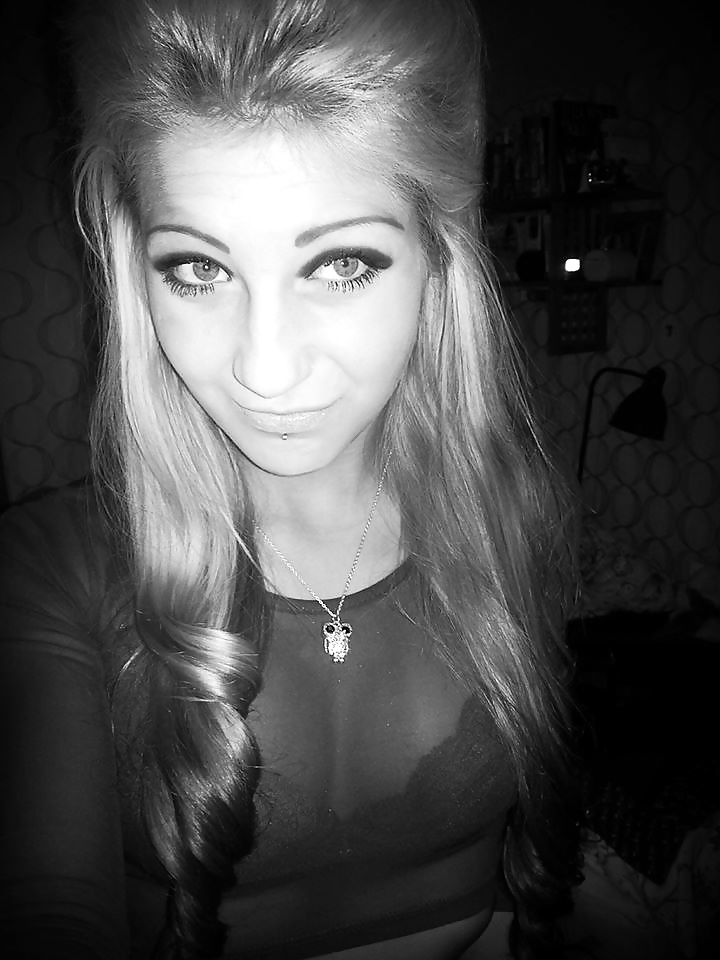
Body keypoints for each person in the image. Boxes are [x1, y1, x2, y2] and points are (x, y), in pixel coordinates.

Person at [0, 1, 583, 957]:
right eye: (198, 270)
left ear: (438, 261)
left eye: (341, 264)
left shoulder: (513, 519)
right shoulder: (50, 569)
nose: (265, 371)